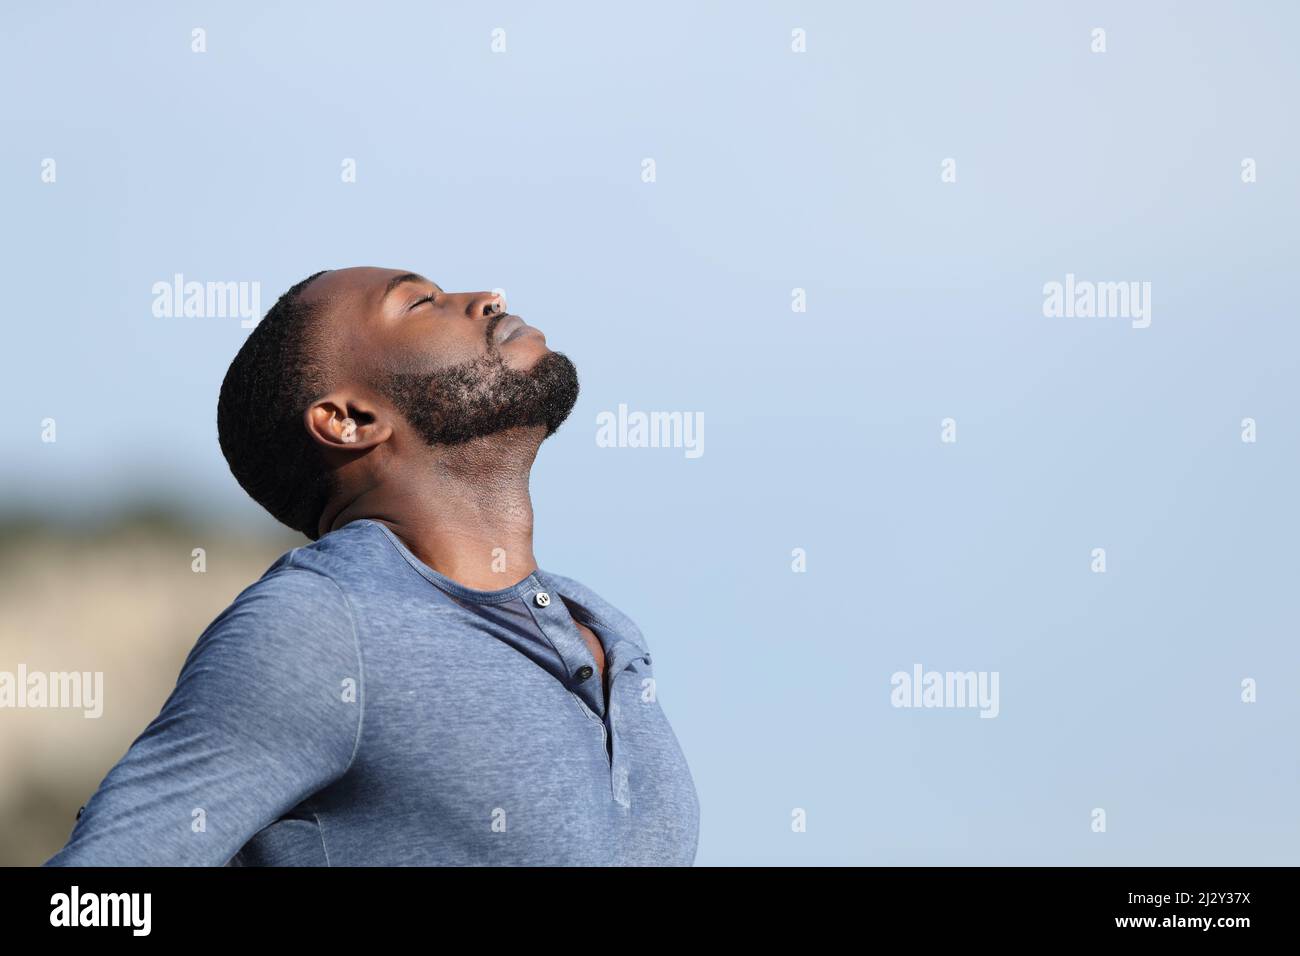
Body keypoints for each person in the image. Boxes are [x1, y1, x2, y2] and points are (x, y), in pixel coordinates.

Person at [43, 267, 700, 866]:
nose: (488, 298)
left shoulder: (609, 636)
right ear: (351, 419)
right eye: (421, 302)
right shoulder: (319, 626)